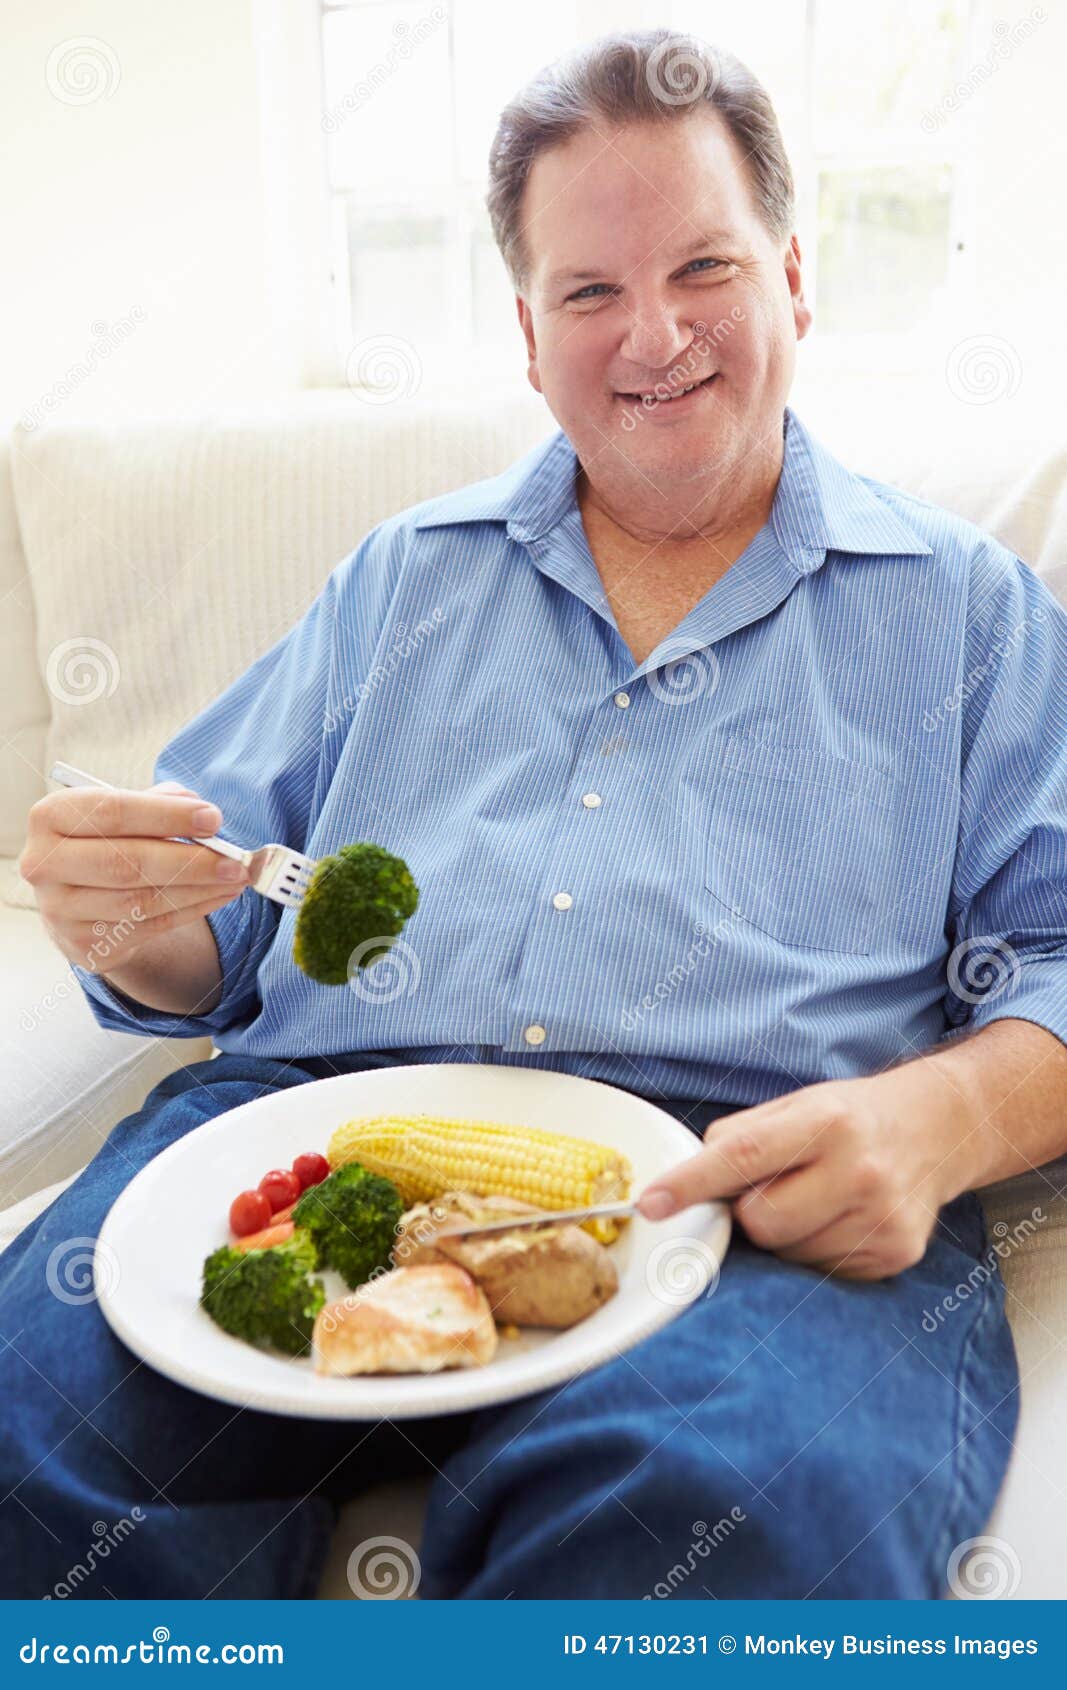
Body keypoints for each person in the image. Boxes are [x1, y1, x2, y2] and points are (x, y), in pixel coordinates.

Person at [3, 28, 1064, 1600]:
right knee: (30, 1455)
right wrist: (141, 926)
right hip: (312, 1134)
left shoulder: (969, 613)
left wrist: (943, 1119)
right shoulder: (401, 579)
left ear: (794, 279)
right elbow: (220, 927)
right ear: (526, 334)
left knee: (712, 1538)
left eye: (704, 265)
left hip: (753, 1198)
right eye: (589, 292)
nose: (654, 335)